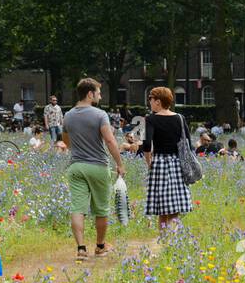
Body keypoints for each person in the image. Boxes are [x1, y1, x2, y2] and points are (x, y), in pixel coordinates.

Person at [60, 78, 126, 259]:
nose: (100, 95)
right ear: (90, 94)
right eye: (98, 92)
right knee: (101, 209)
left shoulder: (68, 115)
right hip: (98, 166)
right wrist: (119, 163)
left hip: (76, 167)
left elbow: (65, 141)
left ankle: (81, 248)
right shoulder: (99, 115)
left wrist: (78, 148)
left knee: (78, 208)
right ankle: (100, 246)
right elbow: (110, 141)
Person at [141, 85, 192, 236]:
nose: (149, 102)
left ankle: (164, 240)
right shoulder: (180, 118)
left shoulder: (150, 119)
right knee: (175, 207)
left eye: (150, 99)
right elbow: (188, 142)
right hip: (177, 164)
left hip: (160, 164)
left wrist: (149, 162)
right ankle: (173, 239)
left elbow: (146, 144)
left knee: (162, 207)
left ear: (158, 101)